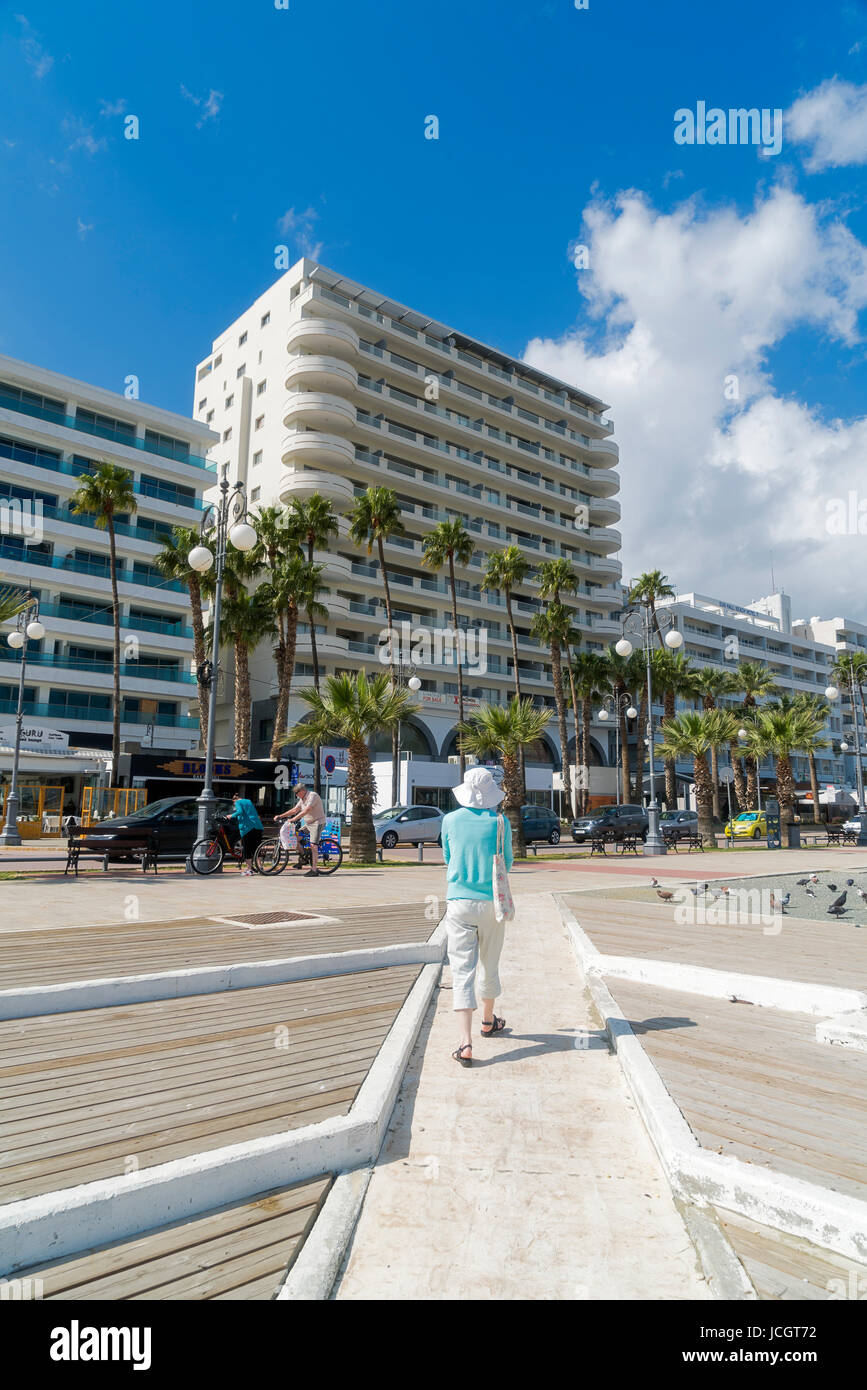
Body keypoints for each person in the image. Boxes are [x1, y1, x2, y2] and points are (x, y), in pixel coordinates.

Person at [440, 766, 513, 1067]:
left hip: (459, 901)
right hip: (491, 903)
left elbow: (447, 857)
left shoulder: (450, 820)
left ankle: (465, 1043)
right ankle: (487, 1021)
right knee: (490, 963)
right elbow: (507, 861)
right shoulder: (500, 821)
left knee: (462, 971)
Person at [276, 781, 326, 877]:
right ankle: (304, 855)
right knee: (294, 837)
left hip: (317, 822)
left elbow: (307, 809)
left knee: (313, 845)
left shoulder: (312, 795)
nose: (296, 795)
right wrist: (280, 816)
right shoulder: (302, 799)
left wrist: (294, 819)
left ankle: (314, 870)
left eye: (297, 793)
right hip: (308, 823)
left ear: (302, 791)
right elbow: (295, 810)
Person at [226, 790, 263, 875]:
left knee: (247, 849)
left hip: (247, 828)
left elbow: (240, 812)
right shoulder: (248, 801)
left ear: (234, 801)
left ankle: (249, 870)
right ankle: (260, 868)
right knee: (257, 848)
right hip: (257, 826)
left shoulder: (238, 803)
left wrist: (230, 816)